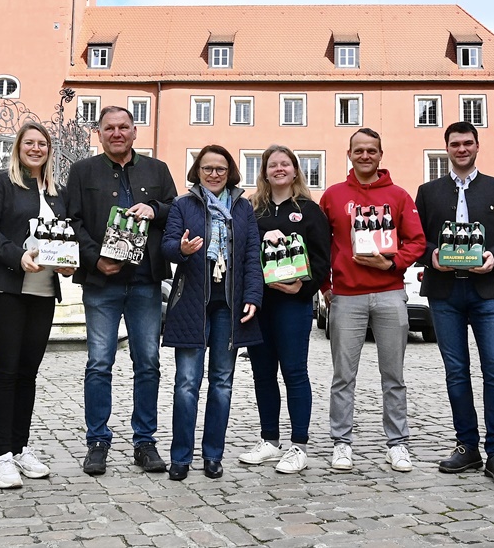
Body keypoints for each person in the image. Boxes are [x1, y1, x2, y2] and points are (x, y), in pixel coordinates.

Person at [64, 106, 177, 475]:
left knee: (148, 362)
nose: (117, 133)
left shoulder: (156, 170)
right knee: (99, 363)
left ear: (134, 131)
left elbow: (176, 211)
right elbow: (72, 221)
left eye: (123, 127)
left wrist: (155, 208)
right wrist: (95, 258)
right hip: (102, 282)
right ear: (99, 133)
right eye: (109, 127)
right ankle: (97, 441)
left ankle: (145, 442)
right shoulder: (83, 171)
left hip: (145, 280)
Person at [414, 122, 494, 488]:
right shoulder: (428, 192)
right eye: (455, 144)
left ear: (477, 146)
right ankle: (467, 446)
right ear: (446, 148)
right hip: (445, 292)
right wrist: (433, 257)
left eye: (467, 143)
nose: (461, 149)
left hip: (489, 291)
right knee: (456, 372)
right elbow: (415, 240)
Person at [0, 121, 75, 489]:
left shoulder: (58, 191)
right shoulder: (2, 181)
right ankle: (2, 456)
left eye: (42, 143)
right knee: (6, 370)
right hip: (6, 288)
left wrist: (67, 263)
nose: (36, 148)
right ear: (18, 147)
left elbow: (65, 237)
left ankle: (20, 447)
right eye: (29, 143)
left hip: (43, 291)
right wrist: (18, 257)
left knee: (28, 373)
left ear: (50, 150)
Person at [319, 128, 425, 473]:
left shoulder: (398, 196)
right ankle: (341, 443)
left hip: (390, 293)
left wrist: (393, 263)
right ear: (349, 154)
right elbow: (319, 246)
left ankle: (397, 444)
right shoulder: (333, 196)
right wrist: (324, 285)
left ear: (381, 155)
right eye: (359, 150)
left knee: (393, 375)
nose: (365, 156)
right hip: (347, 296)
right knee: (342, 376)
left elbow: (417, 240)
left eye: (372, 151)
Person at [161, 145, 263, 481]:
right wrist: (182, 249)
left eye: (220, 168)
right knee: (187, 383)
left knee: (222, 383)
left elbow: (251, 256)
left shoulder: (243, 208)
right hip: (192, 303)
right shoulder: (183, 204)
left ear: (230, 171)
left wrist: (253, 296)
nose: (214, 173)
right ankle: (180, 457)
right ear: (197, 171)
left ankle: (213, 455)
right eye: (208, 168)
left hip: (229, 306)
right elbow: (167, 246)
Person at [238, 145, 330, 474]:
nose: (278, 169)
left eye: (285, 164)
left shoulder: (309, 210)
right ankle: (269, 440)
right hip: (259, 304)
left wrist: (302, 288)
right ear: (264, 172)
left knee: (294, 373)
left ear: (295, 171)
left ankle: (299, 445)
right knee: (262, 375)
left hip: (293, 304)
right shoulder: (252, 209)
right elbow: (243, 245)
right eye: (272, 165)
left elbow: (322, 260)